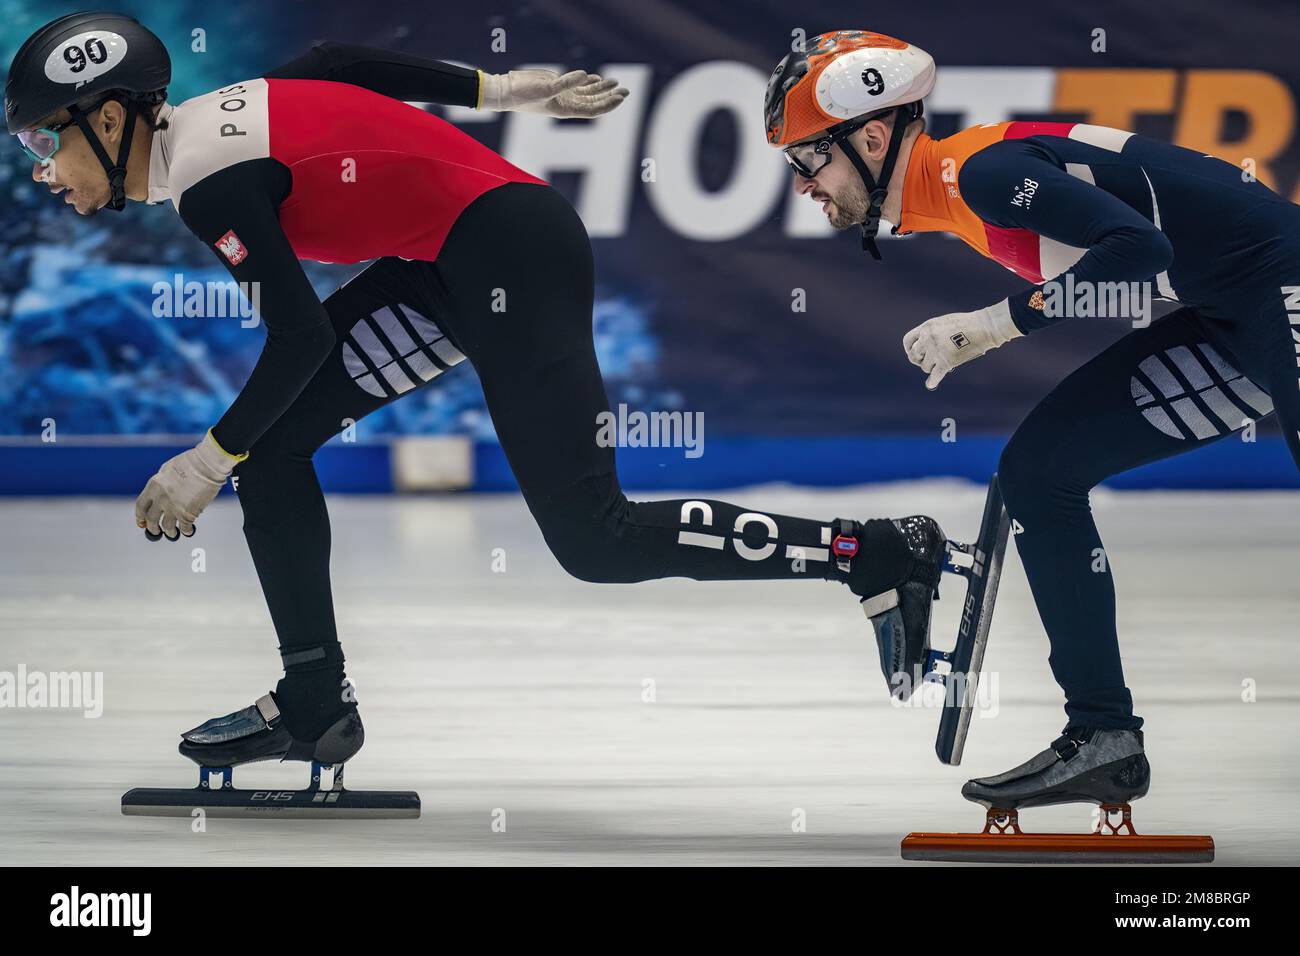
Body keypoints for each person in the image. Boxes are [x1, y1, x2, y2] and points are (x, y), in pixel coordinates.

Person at [7, 12, 947, 784]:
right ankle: (313, 704)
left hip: (509, 253)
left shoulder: (214, 185)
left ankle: (873, 553)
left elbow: (301, 337)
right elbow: (340, 64)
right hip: (455, 260)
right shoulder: (222, 117)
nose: (45, 169)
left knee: (595, 540)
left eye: (49, 139)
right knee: (278, 445)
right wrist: (507, 90)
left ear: (114, 118)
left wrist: (205, 461)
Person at [766, 28, 1300, 828]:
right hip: (1230, 313)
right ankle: (1103, 736)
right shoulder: (955, 190)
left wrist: (995, 323)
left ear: (873, 137)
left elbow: (1137, 247)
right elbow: (1145, 254)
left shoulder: (978, 174)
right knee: (1038, 473)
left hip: (1281, 288)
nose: (804, 184)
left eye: (809, 158)